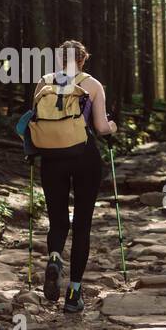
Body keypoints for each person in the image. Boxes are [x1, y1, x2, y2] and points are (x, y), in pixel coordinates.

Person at [34, 39, 116, 314]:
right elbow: (101, 127)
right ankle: (73, 294)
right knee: (82, 224)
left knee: (58, 221)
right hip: (84, 156)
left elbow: (34, 121)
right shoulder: (92, 84)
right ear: (83, 59)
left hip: (51, 159)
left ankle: (55, 258)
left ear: (60, 59)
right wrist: (113, 126)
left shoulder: (44, 81)